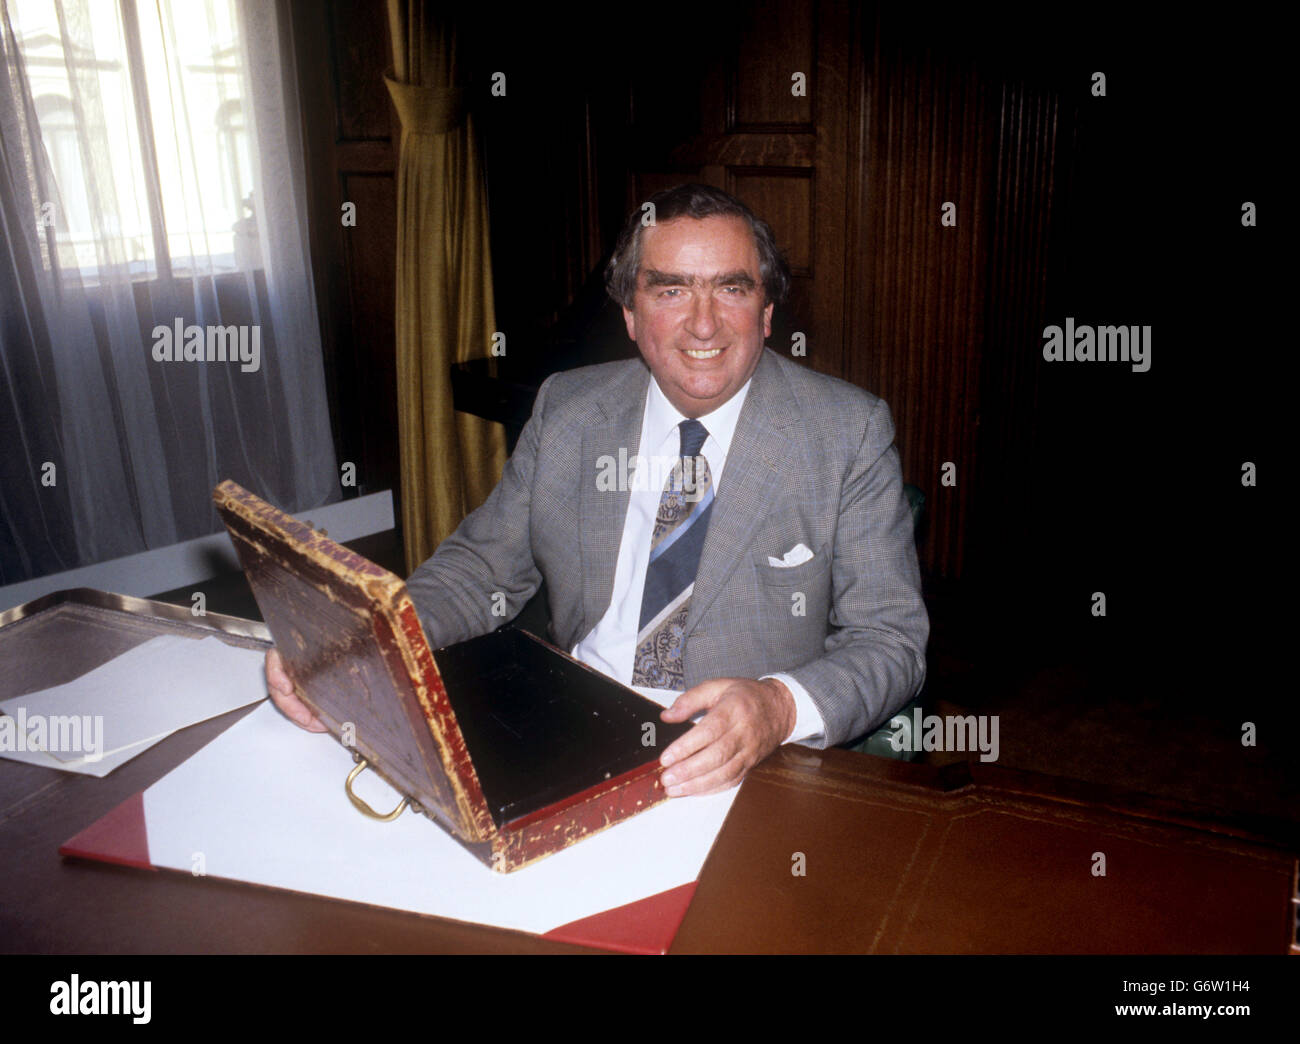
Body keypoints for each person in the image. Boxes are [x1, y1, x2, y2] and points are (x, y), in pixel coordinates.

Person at [268, 183, 928, 798]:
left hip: (744, 764)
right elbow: (479, 570)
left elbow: (890, 642)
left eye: (731, 289)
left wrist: (778, 707)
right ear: (632, 314)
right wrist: (366, 644)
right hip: (569, 725)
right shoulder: (570, 410)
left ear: (766, 311)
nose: (704, 325)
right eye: (670, 291)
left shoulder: (846, 432)